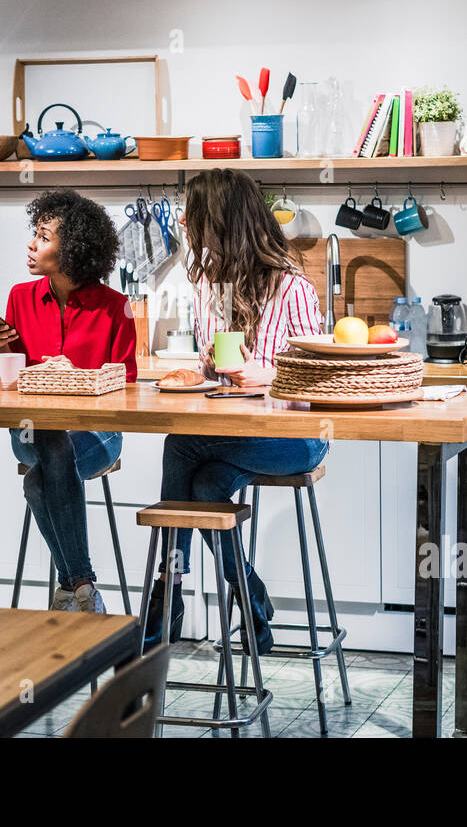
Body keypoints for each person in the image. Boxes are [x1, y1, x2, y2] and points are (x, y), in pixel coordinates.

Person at [143, 168, 328, 652]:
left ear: (223, 222)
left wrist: (268, 376)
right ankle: (250, 593)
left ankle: (168, 592)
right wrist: (210, 364)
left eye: (196, 215)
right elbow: (220, 371)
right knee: (205, 486)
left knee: (179, 444)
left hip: (296, 439)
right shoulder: (208, 287)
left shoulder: (292, 288)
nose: (186, 221)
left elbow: (322, 379)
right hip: (235, 433)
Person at [0, 189, 136, 614]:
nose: (32, 245)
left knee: (38, 478)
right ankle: (83, 586)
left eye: (44, 237)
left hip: (96, 435)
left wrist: (75, 377)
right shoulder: (20, 298)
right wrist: (2, 352)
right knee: (49, 437)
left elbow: (126, 385)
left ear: (72, 249)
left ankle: (74, 585)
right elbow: (9, 380)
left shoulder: (115, 307)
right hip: (30, 431)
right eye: (35, 234)